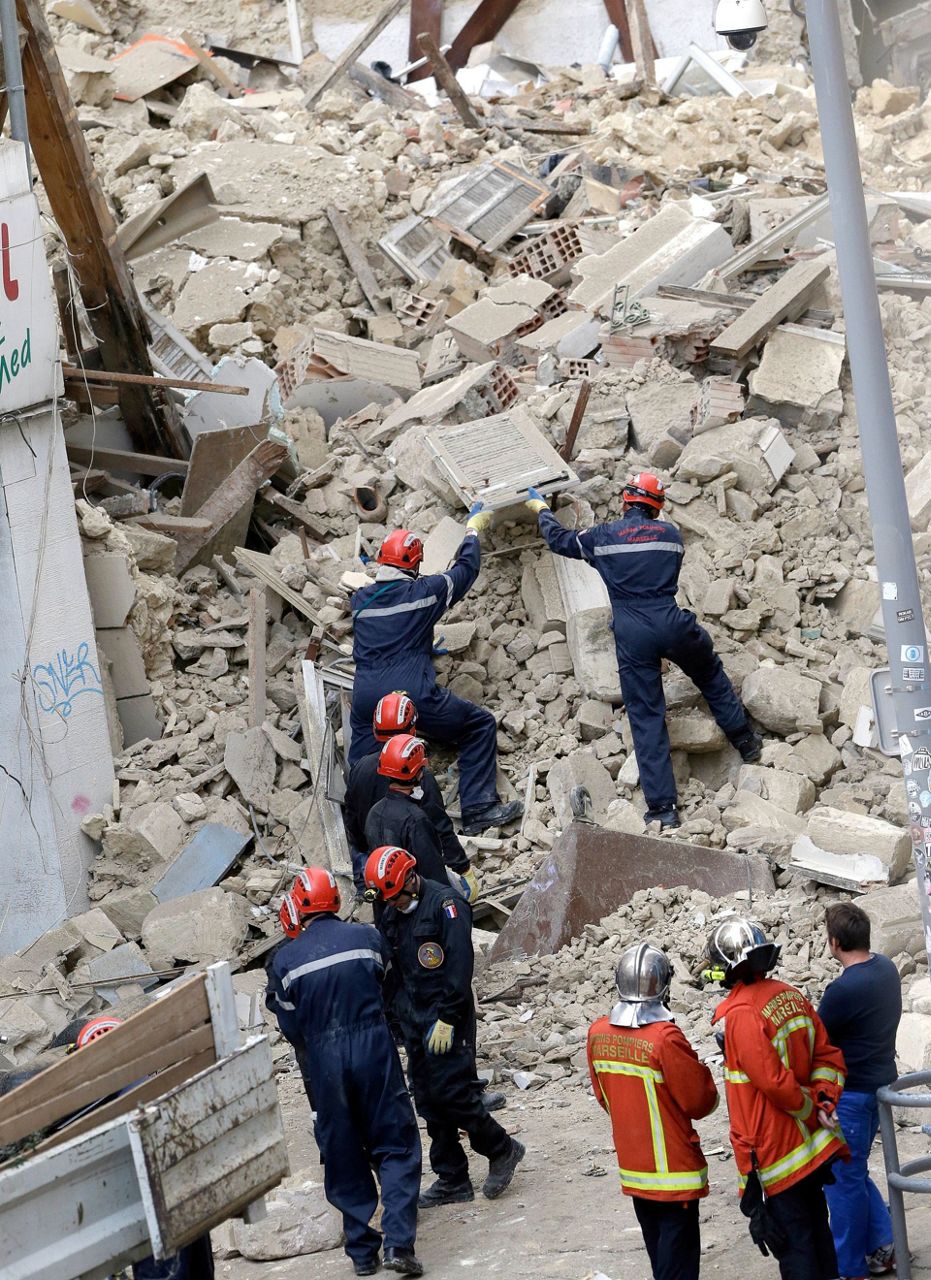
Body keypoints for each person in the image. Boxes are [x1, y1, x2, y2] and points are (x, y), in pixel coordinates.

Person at [525, 474, 761, 830]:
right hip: (671, 620)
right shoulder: (671, 536)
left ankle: (663, 809)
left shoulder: (603, 537)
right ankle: (745, 742)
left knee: (647, 713)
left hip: (632, 630)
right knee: (708, 671)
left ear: (625, 500)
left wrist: (542, 510)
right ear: (657, 506)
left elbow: (560, 541)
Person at [266, 867, 424, 1277]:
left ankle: (361, 1253)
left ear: (299, 907)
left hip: (323, 1058)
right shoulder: (367, 940)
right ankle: (399, 1244)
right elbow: (389, 987)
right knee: (395, 1141)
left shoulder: (285, 961)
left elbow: (290, 1027)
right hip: (374, 1047)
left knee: (343, 1149)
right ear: (335, 901)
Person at [364, 846, 524, 1208]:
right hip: (414, 1016)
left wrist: (448, 1019)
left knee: (453, 1093)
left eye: (398, 896)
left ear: (411, 879)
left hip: (446, 1015)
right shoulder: (392, 908)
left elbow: (458, 969)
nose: (394, 904)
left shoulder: (446, 906)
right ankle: (452, 1177)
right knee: (427, 1098)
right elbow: (395, 968)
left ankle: (502, 1148)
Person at [348, 515, 522, 836]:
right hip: (412, 694)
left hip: (366, 698)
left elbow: (388, 633)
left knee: (363, 763)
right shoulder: (426, 593)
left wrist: (421, 645)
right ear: (414, 564)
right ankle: (479, 808)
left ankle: (360, 827)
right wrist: (472, 532)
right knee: (478, 726)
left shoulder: (360, 602)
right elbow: (465, 570)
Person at [707, 918, 848, 1280]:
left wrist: (807, 1110)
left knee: (796, 1246)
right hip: (812, 1149)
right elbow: (827, 1058)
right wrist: (823, 1103)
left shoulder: (741, 1015)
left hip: (776, 1153)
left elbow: (771, 1082)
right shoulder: (789, 995)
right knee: (818, 1232)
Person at [587, 942, 718, 1280]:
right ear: (663, 987)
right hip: (675, 1174)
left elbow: (604, 1098)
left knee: (660, 1255)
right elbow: (699, 1102)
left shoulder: (597, 1034)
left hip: (635, 1171)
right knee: (678, 1265)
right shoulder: (665, 1037)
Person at [819, 902, 900, 1279]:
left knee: (841, 1181)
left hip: (850, 1096)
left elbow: (815, 1040)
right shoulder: (885, 969)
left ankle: (849, 1268)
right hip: (879, 1085)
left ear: (835, 942)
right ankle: (885, 1245)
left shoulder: (843, 990)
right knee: (854, 1172)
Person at [344, 692, 475, 895]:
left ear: (375, 729)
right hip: (409, 874)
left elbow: (352, 821)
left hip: (375, 866)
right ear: (412, 728)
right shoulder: (418, 777)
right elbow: (441, 829)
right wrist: (463, 868)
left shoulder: (360, 768)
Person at [365, 734, 477, 901]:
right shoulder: (415, 819)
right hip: (418, 903)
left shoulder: (374, 813)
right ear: (418, 773)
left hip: (389, 902)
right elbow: (434, 876)